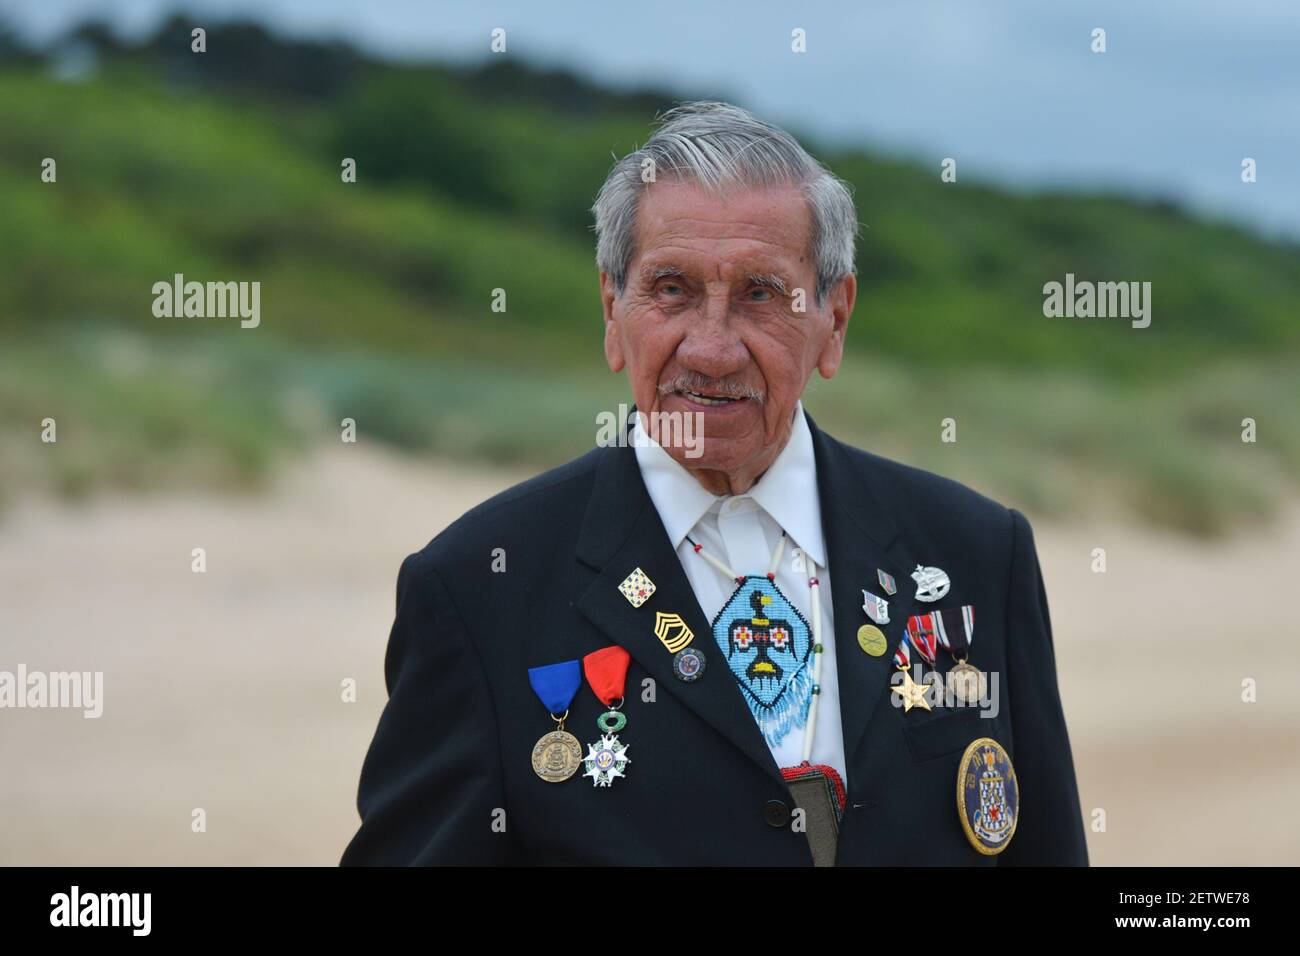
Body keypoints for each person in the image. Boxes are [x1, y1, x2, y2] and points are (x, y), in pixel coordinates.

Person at [341, 101, 1088, 866]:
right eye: (672, 289)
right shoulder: (479, 588)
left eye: (761, 294)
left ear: (835, 318)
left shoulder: (976, 554)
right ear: (611, 310)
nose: (712, 348)